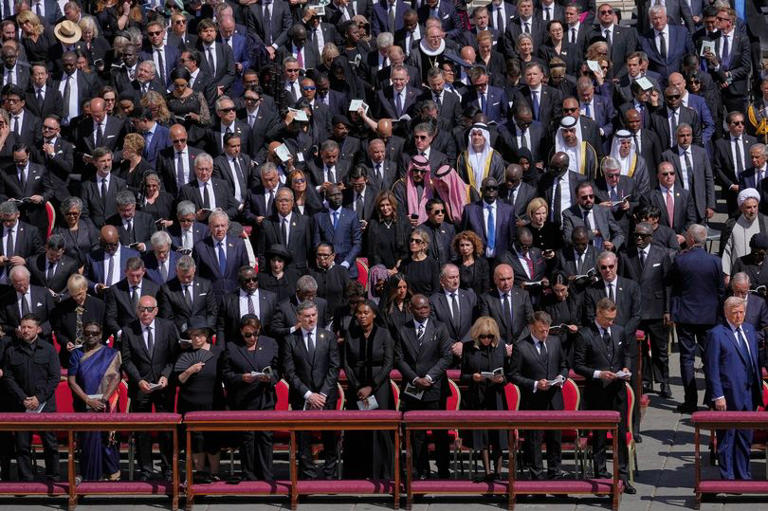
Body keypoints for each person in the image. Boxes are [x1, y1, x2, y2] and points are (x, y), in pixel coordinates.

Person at [573, 298, 636, 494]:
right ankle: (600, 473)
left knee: (621, 432)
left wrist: (626, 368)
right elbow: (578, 364)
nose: (611, 322)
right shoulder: (585, 334)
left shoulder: (619, 331)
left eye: (613, 319)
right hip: (597, 392)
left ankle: (623, 475)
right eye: (607, 319)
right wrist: (598, 374)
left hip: (617, 392)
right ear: (598, 314)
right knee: (599, 434)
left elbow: (626, 353)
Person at [704, 297, 765, 480]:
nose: (739, 316)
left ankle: (743, 474)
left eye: (741, 312)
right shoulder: (717, 334)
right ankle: (728, 476)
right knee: (728, 436)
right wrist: (718, 396)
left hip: (749, 392)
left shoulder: (749, 329)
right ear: (726, 313)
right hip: (729, 394)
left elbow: (754, 360)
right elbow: (712, 367)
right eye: (735, 313)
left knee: (745, 436)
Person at [120, 295, 180, 481]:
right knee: (143, 430)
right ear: (137, 310)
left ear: (156, 310)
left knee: (166, 429)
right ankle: (146, 469)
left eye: (149, 309)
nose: (145, 313)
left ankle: (168, 468)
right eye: (141, 309)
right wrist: (138, 380)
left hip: (163, 386)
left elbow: (174, 356)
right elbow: (127, 360)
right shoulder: (129, 330)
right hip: (141, 387)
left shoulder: (168, 327)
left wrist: (166, 375)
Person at [395, 294, 453, 479]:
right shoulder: (403, 329)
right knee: (416, 434)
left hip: (434, 388)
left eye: (426, 307)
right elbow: (399, 358)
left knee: (440, 433)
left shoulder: (440, 327)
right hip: (413, 389)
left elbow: (446, 357)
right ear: (411, 309)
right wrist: (414, 379)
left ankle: (443, 470)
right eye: (419, 308)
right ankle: (421, 471)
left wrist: (429, 377)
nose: (423, 311)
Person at [281, 300, 340, 480]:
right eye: (307, 316)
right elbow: (289, 372)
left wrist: (321, 394)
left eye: (313, 315)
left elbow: (334, 367)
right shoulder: (290, 340)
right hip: (302, 397)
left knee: (330, 436)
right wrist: (308, 395)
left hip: (326, 397)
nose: (311, 319)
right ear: (299, 317)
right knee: (303, 437)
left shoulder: (328, 337)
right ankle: (307, 474)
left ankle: (330, 473)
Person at [670, 224, 725, 414]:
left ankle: (690, 401)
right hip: (709, 317)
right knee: (710, 358)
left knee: (687, 359)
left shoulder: (681, 260)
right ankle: (712, 399)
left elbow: (673, 285)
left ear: (691, 239)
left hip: (685, 316)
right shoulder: (715, 261)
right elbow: (720, 290)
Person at [509, 311, 569, 480]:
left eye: (547, 330)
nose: (544, 334)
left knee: (555, 438)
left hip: (554, 399)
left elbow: (564, 365)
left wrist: (561, 378)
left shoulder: (555, 342)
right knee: (534, 440)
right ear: (531, 328)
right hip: (533, 401)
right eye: (540, 331)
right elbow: (513, 375)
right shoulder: (521, 347)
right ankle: (536, 475)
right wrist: (535, 384)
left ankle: (555, 471)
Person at [2, 314, 60, 481]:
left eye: (29, 327)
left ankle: (53, 477)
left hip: (45, 405)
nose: (25, 330)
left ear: (38, 329)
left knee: (50, 444)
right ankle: (25, 479)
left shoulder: (48, 349)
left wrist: (38, 399)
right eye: (23, 327)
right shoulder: (12, 350)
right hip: (21, 405)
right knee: (22, 445)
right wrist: (23, 398)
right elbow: (8, 377)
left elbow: (54, 377)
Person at [223, 314, 279, 482]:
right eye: (248, 334)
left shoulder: (270, 344)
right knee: (248, 437)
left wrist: (270, 378)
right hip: (244, 399)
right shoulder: (232, 347)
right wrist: (241, 378)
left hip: (265, 397)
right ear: (241, 332)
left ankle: (267, 474)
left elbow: (277, 370)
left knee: (265, 436)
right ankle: (250, 475)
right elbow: (226, 374)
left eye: (255, 334)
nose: (252, 338)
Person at [342, 300, 394, 479]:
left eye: (366, 312)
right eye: (359, 313)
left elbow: (388, 363)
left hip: (379, 387)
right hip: (356, 386)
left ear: (374, 314)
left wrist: (371, 386)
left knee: (380, 428)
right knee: (358, 427)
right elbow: (347, 363)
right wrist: (357, 386)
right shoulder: (351, 334)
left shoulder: (384, 334)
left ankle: (382, 472)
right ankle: (358, 471)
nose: (362, 316)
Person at [67, 321, 121, 482]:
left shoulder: (112, 353)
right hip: (83, 404)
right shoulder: (76, 354)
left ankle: (111, 470)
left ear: (101, 334)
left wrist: (103, 399)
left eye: (95, 333)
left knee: (107, 438)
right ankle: (90, 474)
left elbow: (116, 377)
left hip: (106, 403)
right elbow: (71, 381)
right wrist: (88, 400)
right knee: (87, 439)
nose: (91, 336)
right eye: (87, 333)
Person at [174, 318, 225, 483]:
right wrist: (190, 370)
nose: (197, 339)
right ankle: (200, 473)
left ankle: (215, 473)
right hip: (190, 403)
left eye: (200, 335)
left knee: (213, 439)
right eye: (193, 335)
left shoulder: (218, 353)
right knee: (196, 440)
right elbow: (178, 380)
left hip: (213, 402)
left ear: (207, 335)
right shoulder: (184, 354)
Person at [460, 316, 509, 481]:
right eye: (482, 336)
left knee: (498, 435)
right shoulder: (469, 348)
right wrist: (474, 377)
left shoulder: (500, 346)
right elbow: (463, 376)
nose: (486, 340)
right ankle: (487, 471)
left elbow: (509, 373)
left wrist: (502, 379)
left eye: (489, 336)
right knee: (482, 435)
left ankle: (499, 472)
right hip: (478, 396)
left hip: (497, 395)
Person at [366, 190, 410, 274]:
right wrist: (384, 271)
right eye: (382, 205)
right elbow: (372, 252)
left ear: (393, 205)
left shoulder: (404, 222)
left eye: (388, 204)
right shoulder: (373, 224)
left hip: (401, 268)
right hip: (380, 271)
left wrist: (398, 266)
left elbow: (407, 248)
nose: (385, 208)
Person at [398, 227, 440, 295]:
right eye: (411, 240)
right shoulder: (404, 263)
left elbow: (436, 288)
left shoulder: (432, 263)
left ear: (424, 245)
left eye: (417, 241)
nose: (413, 243)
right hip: (409, 302)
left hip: (427, 302)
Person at [452, 230, 490, 298]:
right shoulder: (454, 264)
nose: (465, 248)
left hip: (479, 301)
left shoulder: (483, 263)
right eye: (462, 245)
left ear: (474, 246)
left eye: (467, 245)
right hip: (461, 301)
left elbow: (486, 287)